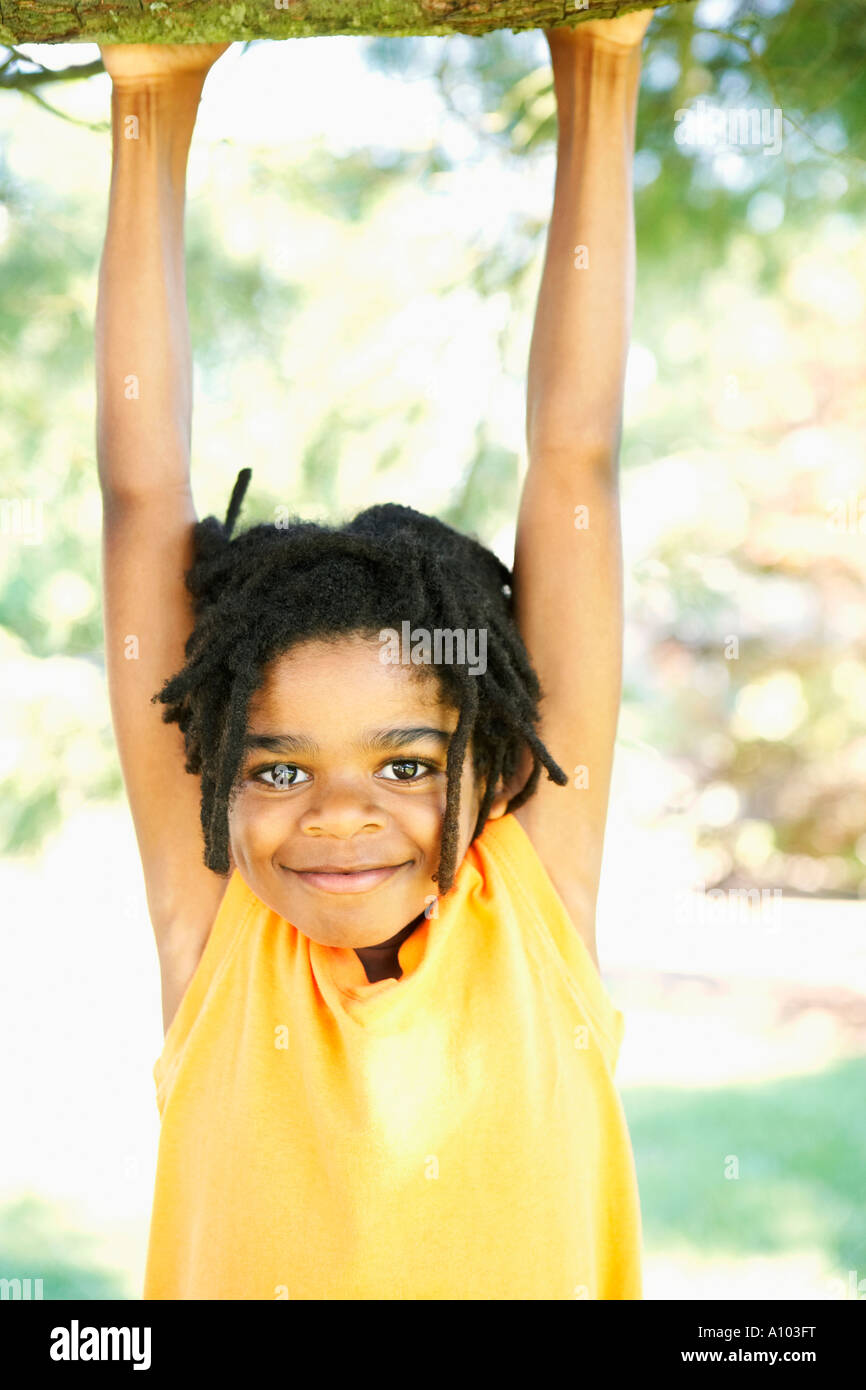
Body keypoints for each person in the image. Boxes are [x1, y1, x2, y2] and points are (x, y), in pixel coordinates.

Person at [96, 8, 654, 1300]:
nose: (340, 818)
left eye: (404, 761)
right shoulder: (216, 937)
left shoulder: (533, 904)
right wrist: (147, 99)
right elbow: (142, 503)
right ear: (221, 778)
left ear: (499, 760)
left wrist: (600, 60)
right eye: (279, 772)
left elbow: (575, 457)